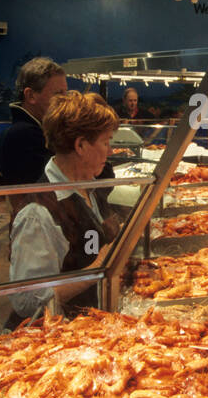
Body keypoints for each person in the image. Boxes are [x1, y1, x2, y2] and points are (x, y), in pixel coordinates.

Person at [7, 92, 123, 324]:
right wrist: (97, 268)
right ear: (81, 145)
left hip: (92, 326)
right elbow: (27, 301)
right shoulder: (37, 213)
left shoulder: (88, 186)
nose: (110, 151)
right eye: (105, 142)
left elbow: (91, 240)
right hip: (61, 340)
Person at [0, 57, 69, 220]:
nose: (65, 101)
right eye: (58, 94)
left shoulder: (38, 130)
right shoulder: (23, 135)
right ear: (31, 95)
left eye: (65, 93)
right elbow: (55, 185)